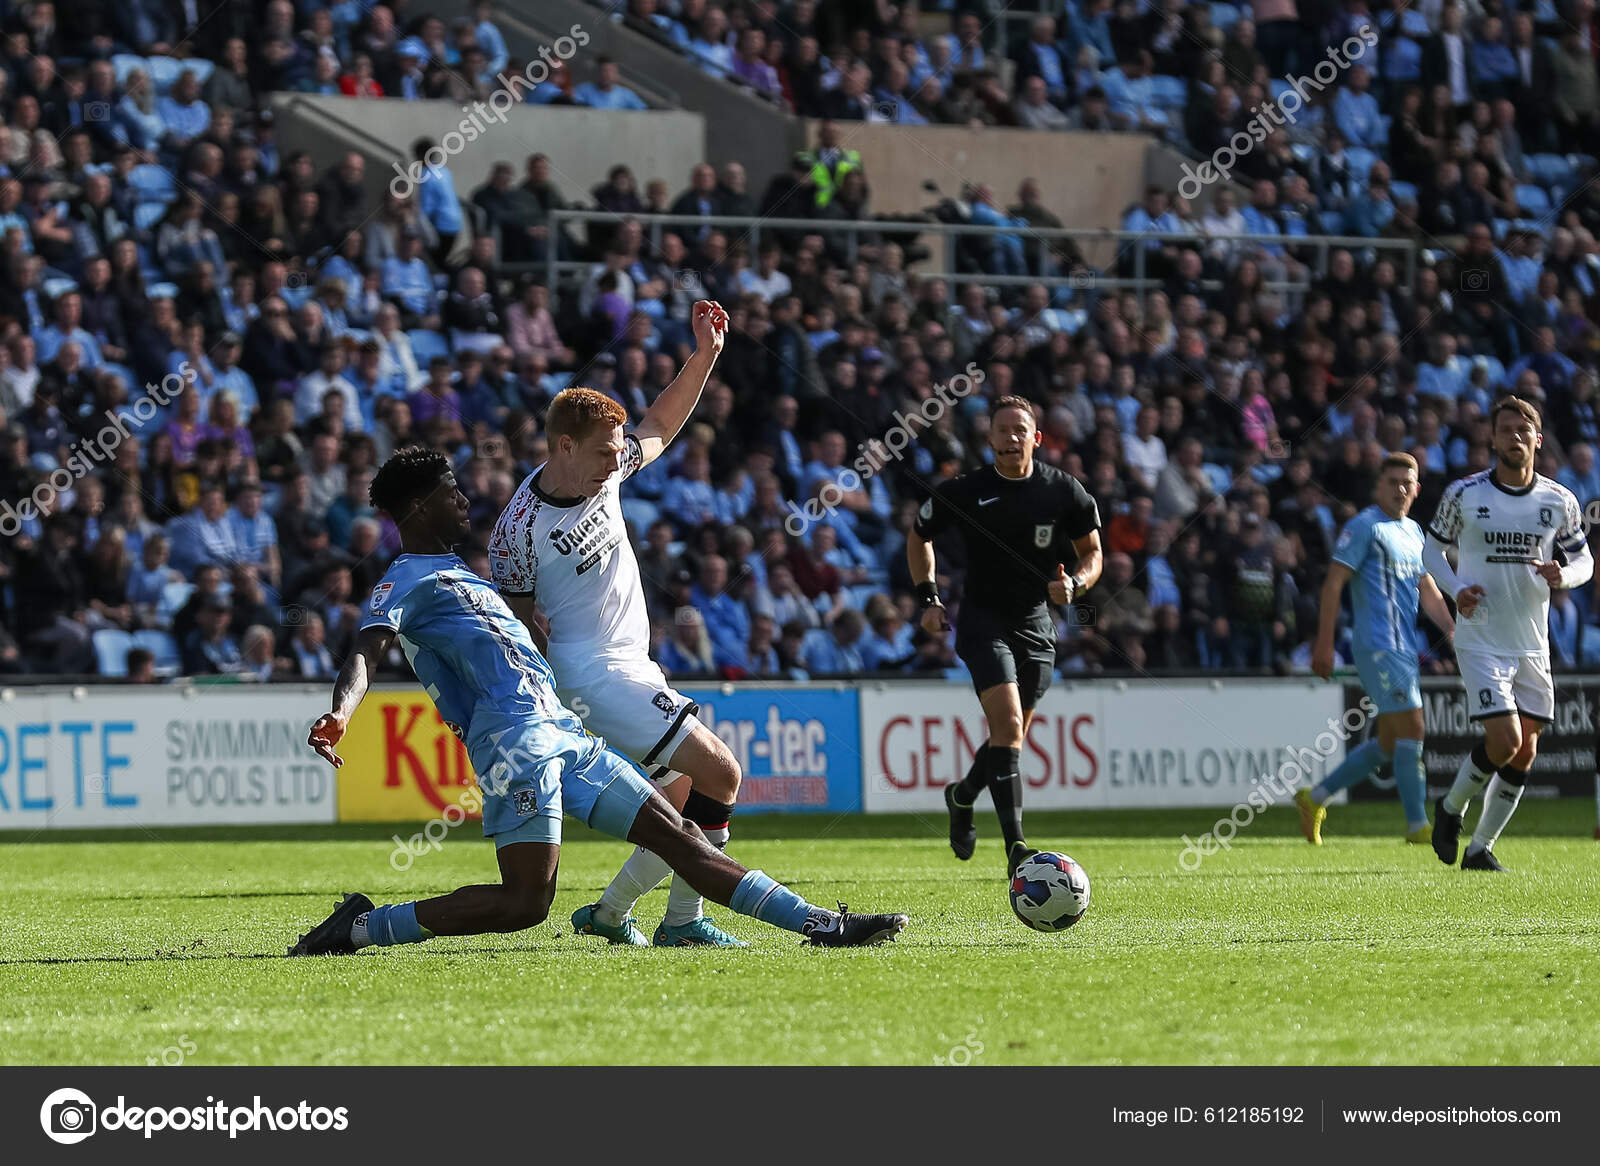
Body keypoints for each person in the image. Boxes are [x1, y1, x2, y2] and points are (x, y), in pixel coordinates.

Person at [290, 446, 906, 955]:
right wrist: (342, 712)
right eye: (452, 493)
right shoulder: (405, 580)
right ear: (420, 505)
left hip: (564, 730)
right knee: (526, 903)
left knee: (683, 837)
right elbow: (366, 649)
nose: (464, 501)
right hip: (515, 746)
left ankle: (821, 924)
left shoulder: (466, 575)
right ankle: (364, 927)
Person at [489, 301, 754, 948]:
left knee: (681, 801)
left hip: (634, 662)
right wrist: (548, 698)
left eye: (618, 451)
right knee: (722, 773)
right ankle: (684, 923)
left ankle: (609, 914)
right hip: (591, 673)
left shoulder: (600, 473)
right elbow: (516, 627)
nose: (618, 463)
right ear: (564, 446)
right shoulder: (517, 531)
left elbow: (659, 423)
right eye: (607, 452)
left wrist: (706, 355)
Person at [907, 396, 1104, 874]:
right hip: (982, 621)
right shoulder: (966, 489)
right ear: (989, 438)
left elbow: (1093, 552)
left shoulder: (1063, 490)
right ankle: (1017, 848)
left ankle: (962, 795)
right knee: (1010, 726)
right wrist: (929, 599)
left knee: (1008, 736)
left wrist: (1076, 585)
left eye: (1020, 430)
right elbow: (919, 535)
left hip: (1037, 624)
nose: (1012, 437)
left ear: (1037, 438)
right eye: (1003, 430)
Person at [1424, 397, 1593, 871]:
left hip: (1532, 641)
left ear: (1538, 439)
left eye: (1523, 430)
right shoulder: (1464, 494)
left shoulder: (1559, 500)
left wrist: (1565, 575)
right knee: (1505, 739)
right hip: (1481, 637)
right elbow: (1431, 551)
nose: (1514, 437)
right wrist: (1456, 589)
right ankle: (1450, 808)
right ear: (1492, 439)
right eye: (1505, 430)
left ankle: (1480, 848)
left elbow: (1584, 559)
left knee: (1526, 749)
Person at [1299, 453, 1455, 844]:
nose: (1400, 488)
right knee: (1414, 728)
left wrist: (1452, 630)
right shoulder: (1364, 526)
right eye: (1392, 481)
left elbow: (1428, 590)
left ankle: (1314, 798)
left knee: (1389, 742)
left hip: (1404, 647)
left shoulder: (1414, 532)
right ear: (1378, 487)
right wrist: (1325, 643)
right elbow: (1333, 584)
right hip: (1378, 645)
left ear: (1417, 489)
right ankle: (1418, 826)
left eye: (1407, 482)